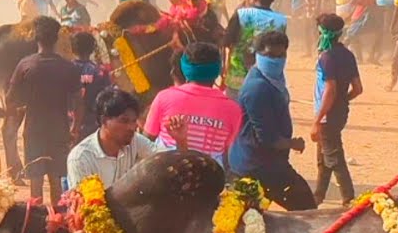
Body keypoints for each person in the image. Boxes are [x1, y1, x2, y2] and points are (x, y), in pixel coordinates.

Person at [228, 30, 314, 210]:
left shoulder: (270, 78)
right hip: (256, 163)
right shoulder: (257, 88)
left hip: (263, 159)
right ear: (258, 55)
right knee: (305, 205)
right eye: (270, 55)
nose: (276, 60)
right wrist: (293, 143)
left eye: (280, 55)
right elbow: (267, 139)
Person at [6, 16, 81, 205]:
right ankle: (58, 220)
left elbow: (10, 99)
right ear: (56, 39)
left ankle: (36, 222)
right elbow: (79, 103)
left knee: (36, 182)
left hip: (34, 131)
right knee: (56, 180)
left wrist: (19, 108)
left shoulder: (25, 65)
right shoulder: (68, 67)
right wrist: (75, 128)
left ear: (35, 39)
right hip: (59, 130)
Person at [142, 41, 242, 164]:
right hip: (209, 177)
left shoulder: (164, 97)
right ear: (218, 70)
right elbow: (226, 152)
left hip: (164, 174)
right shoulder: (233, 109)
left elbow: (146, 141)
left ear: (185, 69)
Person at [311, 14, 363, 207]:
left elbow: (330, 89)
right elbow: (358, 88)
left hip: (327, 114)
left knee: (334, 157)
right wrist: (343, 99)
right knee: (324, 157)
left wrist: (318, 119)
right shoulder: (348, 54)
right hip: (340, 110)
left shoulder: (326, 57)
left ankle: (348, 198)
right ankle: (318, 195)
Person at [67, 87, 156, 188]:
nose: (132, 127)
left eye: (134, 121)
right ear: (104, 120)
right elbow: (84, 202)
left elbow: (164, 158)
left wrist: (178, 138)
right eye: (124, 121)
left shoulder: (135, 140)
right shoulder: (81, 158)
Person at [223, 0, 287, 98]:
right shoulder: (281, 20)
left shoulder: (241, 14)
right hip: (269, 80)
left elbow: (227, 41)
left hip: (239, 78)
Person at [74, 32, 109, 140]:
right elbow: (107, 97)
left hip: (69, 122)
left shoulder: (66, 69)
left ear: (73, 49)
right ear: (92, 49)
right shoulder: (100, 72)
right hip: (92, 124)